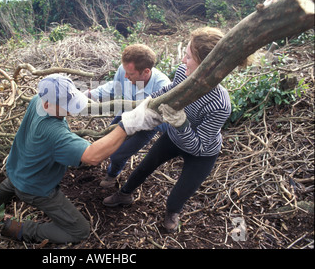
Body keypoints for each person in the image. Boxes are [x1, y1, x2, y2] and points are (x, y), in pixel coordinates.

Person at [103, 27, 252, 233]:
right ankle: (125, 194)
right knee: (144, 167)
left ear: (206, 64)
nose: (183, 60)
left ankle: (173, 212)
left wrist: (182, 124)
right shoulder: (184, 72)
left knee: (178, 196)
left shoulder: (220, 103)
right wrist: (149, 103)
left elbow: (198, 145)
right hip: (174, 136)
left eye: (188, 56)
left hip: (202, 152)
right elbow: (169, 91)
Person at [0, 74, 159, 244]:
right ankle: (18, 229)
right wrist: (127, 125)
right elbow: (93, 157)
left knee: (12, 182)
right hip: (34, 187)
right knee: (79, 231)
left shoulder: (39, 99)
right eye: (66, 105)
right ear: (49, 104)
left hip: (17, 166)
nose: (72, 109)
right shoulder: (53, 133)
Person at [84, 44, 171, 188]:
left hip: (147, 125)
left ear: (146, 72)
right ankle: (89, 159)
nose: (125, 76)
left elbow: (166, 120)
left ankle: (111, 176)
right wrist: (89, 95)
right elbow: (113, 87)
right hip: (127, 113)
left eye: (130, 74)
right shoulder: (124, 70)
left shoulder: (162, 86)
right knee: (103, 139)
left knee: (118, 155)